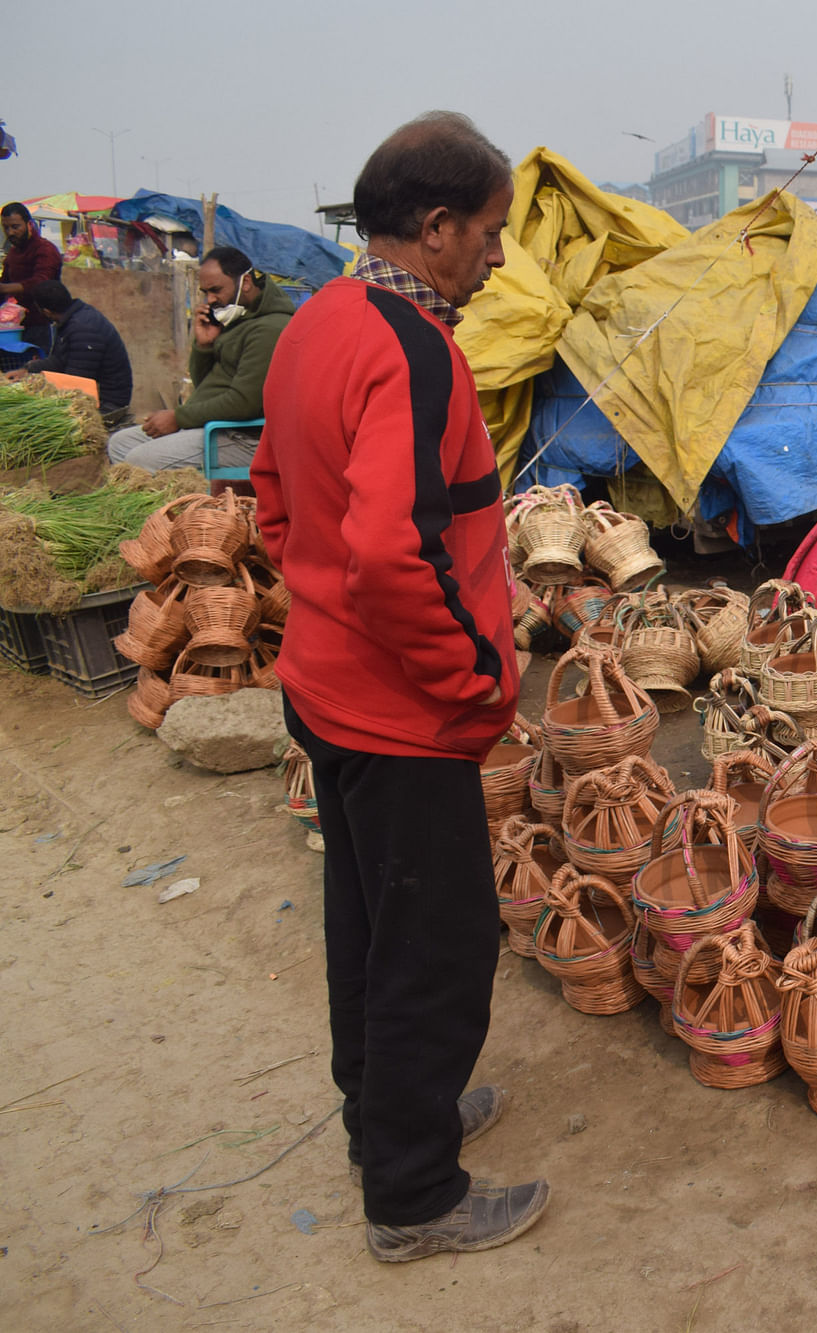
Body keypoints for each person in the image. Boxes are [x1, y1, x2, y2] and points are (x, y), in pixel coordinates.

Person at [252, 111, 546, 1264]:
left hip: (328, 685)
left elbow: (279, 500)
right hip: (401, 710)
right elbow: (388, 548)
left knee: (368, 917)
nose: (497, 255)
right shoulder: (414, 348)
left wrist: (323, 599)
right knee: (436, 943)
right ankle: (415, 1197)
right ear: (434, 228)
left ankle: (385, 1123)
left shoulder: (318, 320)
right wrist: (471, 677)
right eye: (488, 231)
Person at [107, 245, 294, 472]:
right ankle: (158, 501)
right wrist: (204, 346)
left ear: (245, 283)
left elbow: (245, 402)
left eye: (216, 290)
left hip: (243, 437)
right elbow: (204, 383)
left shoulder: (269, 329)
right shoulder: (239, 318)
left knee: (139, 460)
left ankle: (175, 505)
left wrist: (179, 417)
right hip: (214, 426)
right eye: (206, 292)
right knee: (119, 443)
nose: (211, 299)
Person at [6, 280, 134, 426]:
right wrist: (27, 371)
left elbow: (77, 382)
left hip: (108, 401)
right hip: (93, 390)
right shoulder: (72, 317)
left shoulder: (83, 328)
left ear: (46, 311)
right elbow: (60, 360)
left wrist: (36, 384)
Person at [0, 202, 62, 355]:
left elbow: (41, 282)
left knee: (38, 370)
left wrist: (4, 288)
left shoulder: (45, 249)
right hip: (15, 327)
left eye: (15, 227)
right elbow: (4, 284)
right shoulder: (13, 254)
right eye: (6, 228)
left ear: (29, 225)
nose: (11, 232)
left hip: (41, 323)